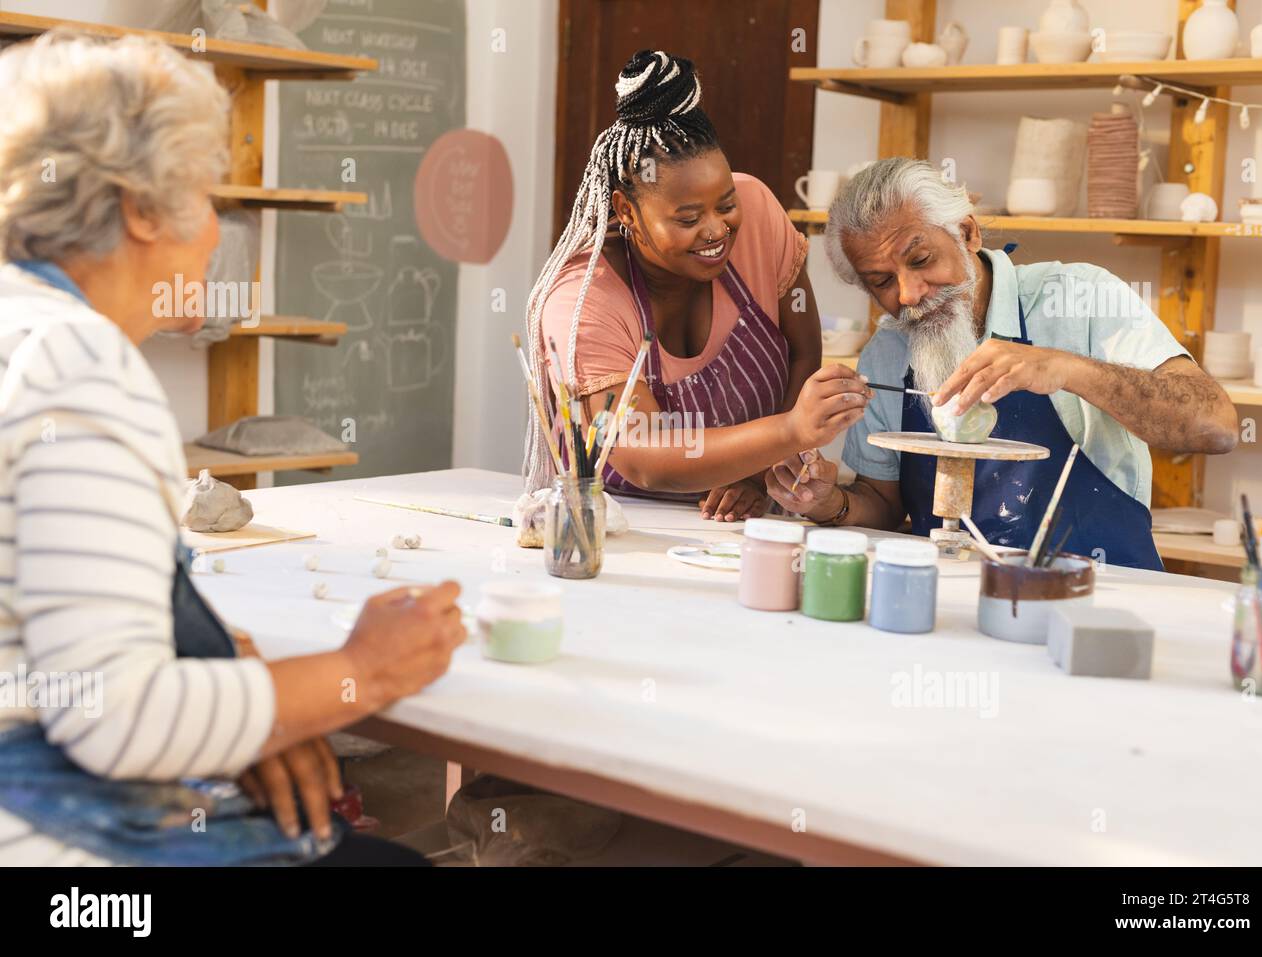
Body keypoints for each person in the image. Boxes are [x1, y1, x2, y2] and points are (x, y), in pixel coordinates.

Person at [0, 31, 464, 866]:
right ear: (141, 209)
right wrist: (361, 670)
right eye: (207, 196)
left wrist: (246, 688)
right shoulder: (79, 364)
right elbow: (118, 716)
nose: (217, 233)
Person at [767, 158, 1238, 570]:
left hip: (1100, 593)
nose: (909, 295)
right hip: (953, 604)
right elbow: (882, 506)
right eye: (881, 281)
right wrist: (827, 503)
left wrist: (1066, 368)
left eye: (922, 259)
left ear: (967, 232)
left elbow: (1215, 426)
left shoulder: (1081, 298)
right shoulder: (887, 353)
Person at [524, 50, 868, 521]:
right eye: (688, 218)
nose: (716, 230)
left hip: (749, 520)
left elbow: (803, 353)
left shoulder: (757, 211)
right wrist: (790, 431)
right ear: (626, 211)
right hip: (621, 527)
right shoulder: (582, 300)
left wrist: (758, 472)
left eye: (724, 204)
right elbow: (639, 453)